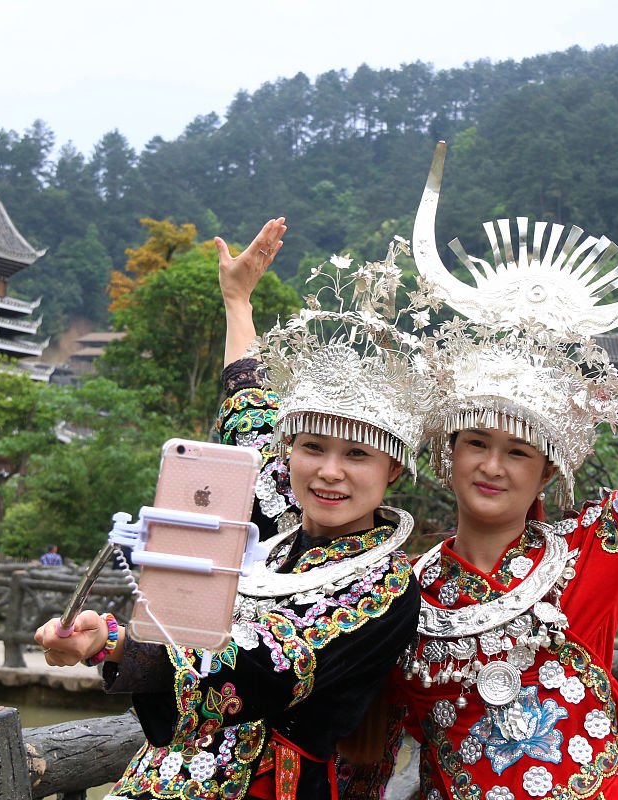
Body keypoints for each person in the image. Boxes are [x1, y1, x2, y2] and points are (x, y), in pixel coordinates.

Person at [355, 167, 618, 800]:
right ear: (448, 452)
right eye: (477, 444)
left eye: (518, 452)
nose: (493, 467)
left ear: (547, 470)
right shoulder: (399, 592)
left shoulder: (589, 552)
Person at [36, 219, 434, 800]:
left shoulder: (385, 586)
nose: (329, 471)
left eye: (357, 455)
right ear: (290, 451)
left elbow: (268, 665)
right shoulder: (274, 526)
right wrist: (237, 299)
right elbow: (249, 407)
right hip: (160, 779)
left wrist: (118, 643)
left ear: (393, 470)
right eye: (312, 447)